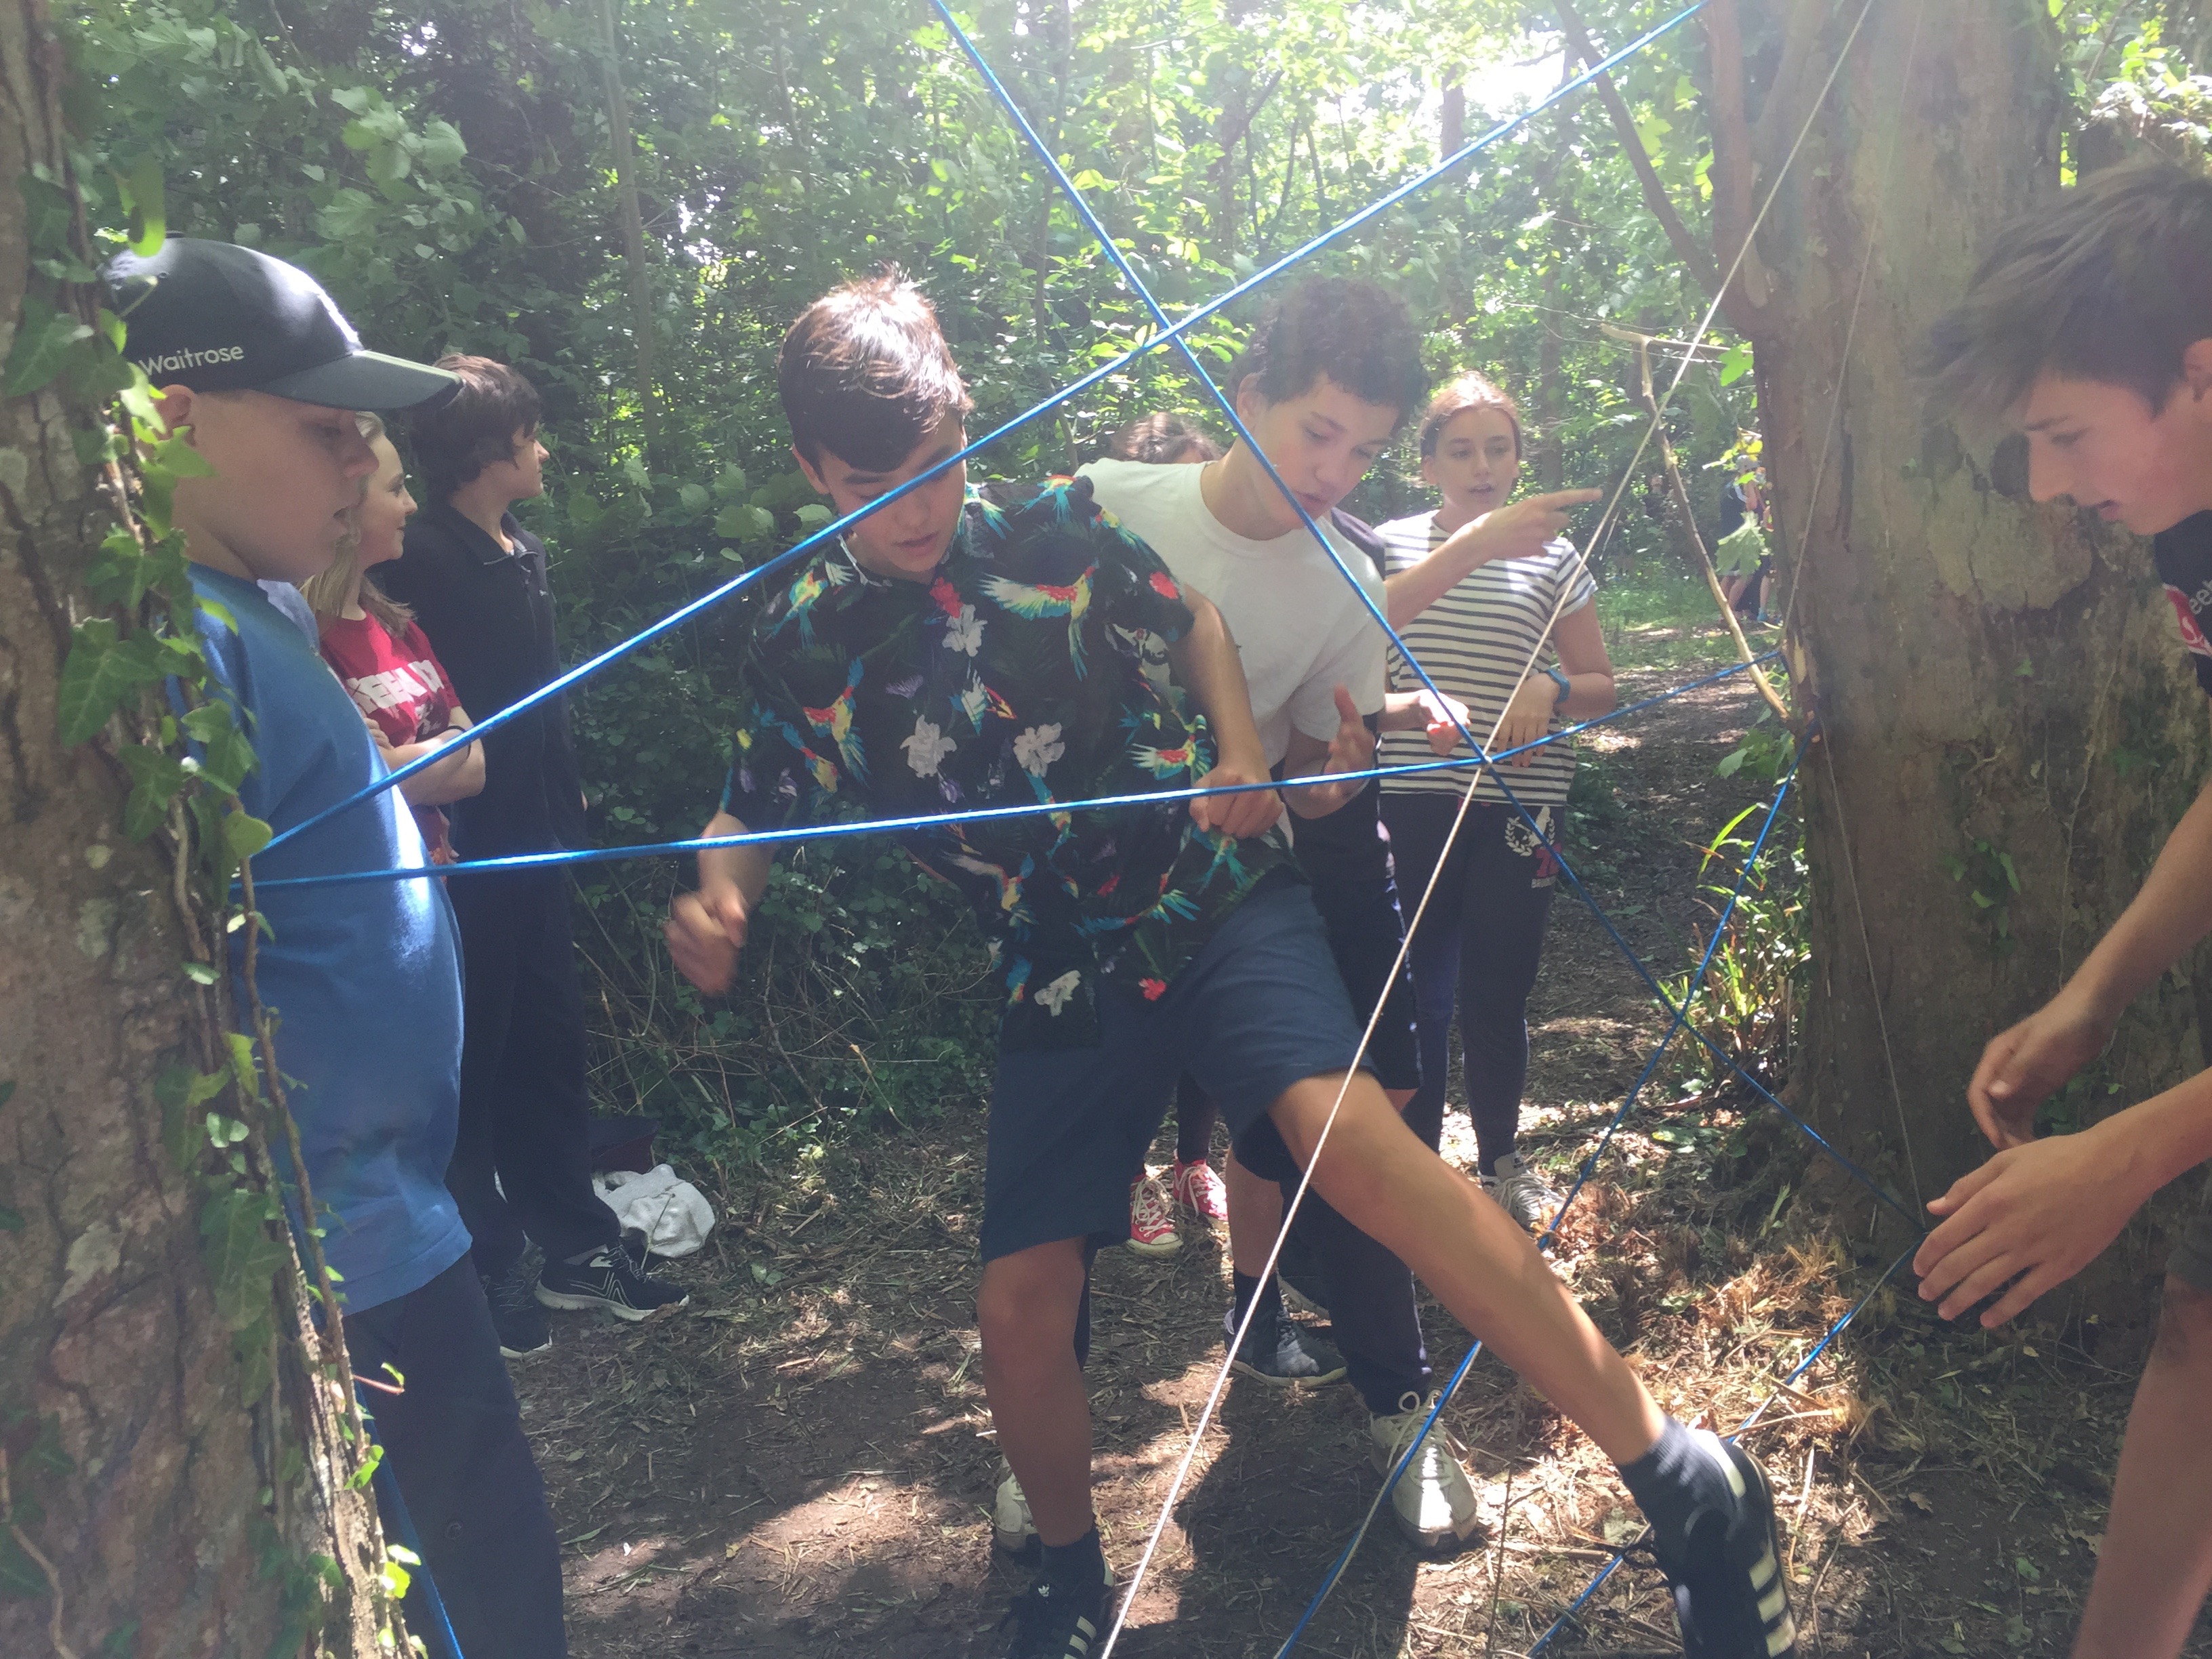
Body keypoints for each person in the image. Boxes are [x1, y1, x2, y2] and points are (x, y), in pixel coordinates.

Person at [663, 268, 1795, 1659]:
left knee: (1357, 1142)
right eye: (872, 480)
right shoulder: (799, 638)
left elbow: (1189, 620)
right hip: (1059, 962)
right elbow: (748, 806)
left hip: (1210, 893)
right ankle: (1068, 1583)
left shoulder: (1046, 532)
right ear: (808, 470)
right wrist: (720, 897)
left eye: (938, 463)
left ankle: (1681, 1475)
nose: (917, 504)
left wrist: (1248, 754)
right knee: (1018, 1295)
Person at [103, 237, 569, 1657]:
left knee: (490, 1561)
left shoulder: (263, 612)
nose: (359, 461)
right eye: (324, 432)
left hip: (388, 1215)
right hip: (335, 1250)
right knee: (468, 1580)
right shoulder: (183, 643)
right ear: (171, 421)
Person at [1081, 279, 1486, 1550]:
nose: (1334, 469)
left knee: (1371, 1138)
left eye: (1363, 448)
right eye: (1315, 432)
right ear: (1245, 398)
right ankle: (1049, 1461)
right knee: (1068, 1183)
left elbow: (1319, 781)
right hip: (1099, 897)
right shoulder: (1099, 505)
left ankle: (1395, 1399)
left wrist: (1317, 775)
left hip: (1279, 899)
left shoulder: (1351, 569)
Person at [1917, 159, 2212, 1659]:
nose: (2044, 486)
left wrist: (2134, 1155)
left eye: (2064, 434)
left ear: (2202, 374)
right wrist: (2100, 991)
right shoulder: (2195, 536)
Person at [382, 356, 687, 1357]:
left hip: (536, 836)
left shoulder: (521, 546)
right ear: (488, 451)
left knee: (552, 1042)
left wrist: (565, 788)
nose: (545, 450)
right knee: (477, 1056)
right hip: (464, 850)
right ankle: (487, 1261)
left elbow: (541, 692)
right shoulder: (419, 557)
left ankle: (573, 1247)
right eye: (532, 436)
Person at [1376, 373, 1616, 1231]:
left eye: (1499, 448)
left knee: (1497, 989)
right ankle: (1415, 1169)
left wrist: (1551, 686)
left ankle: (1503, 1160)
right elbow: (1349, 660)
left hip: (1523, 800)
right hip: (1411, 796)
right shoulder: (1392, 547)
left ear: (1519, 456)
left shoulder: (1556, 557)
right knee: (1417, 992)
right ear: (1429, 459)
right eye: (1462, 449)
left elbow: (1600, 686)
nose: (1482, 467)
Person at [1100, 411, 1229, 1259]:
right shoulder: (1105, 570)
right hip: (1119, 821)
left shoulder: (1216, 584)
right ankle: (1134, 1172)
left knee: (1201, 987)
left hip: (1206, 810)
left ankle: (1192, 1158)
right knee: (1127, 995)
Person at [301, 413, 483, 863]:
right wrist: (451, 742)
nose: (412, 505)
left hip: (432, 889)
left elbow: (478, 767)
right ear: (348, 502)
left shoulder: (400, 627)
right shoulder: (300, 634)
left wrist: (410, 761)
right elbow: (357, 785)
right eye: (396, 488)